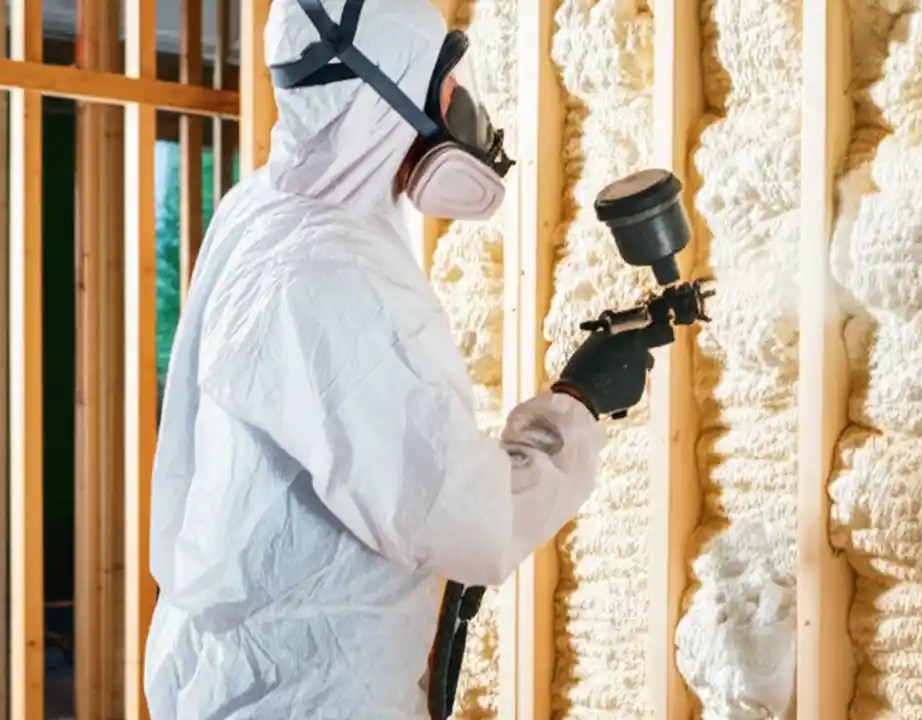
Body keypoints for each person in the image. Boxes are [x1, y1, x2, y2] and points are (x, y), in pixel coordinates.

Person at [141, 0, 653, 717]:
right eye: (444, 82)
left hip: (228, 680)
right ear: (383, 90)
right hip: (313, 698)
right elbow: (462, 520)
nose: (459, 107)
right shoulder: (335, 278)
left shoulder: (260, 210)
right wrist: (576, 408)